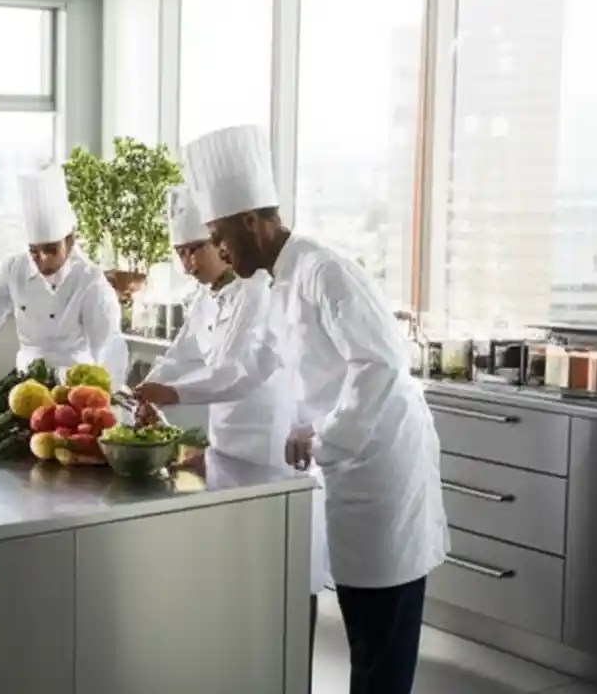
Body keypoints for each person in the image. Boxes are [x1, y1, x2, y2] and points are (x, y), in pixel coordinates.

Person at [181, 125, 448, 694]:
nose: (219, 251)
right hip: (346, 468)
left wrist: (328, 438)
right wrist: (172, 392)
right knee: (363, 628)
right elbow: (257, 369)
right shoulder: (276, 282)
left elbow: (378, 363)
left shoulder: (324, 271)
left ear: (251, 221)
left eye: (219, 236)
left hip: (382, 467)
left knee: (382, 638)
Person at [134, 184, 330, 682]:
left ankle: (291, 674)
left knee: (284, 574)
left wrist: (168, 393)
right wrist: (145, 389)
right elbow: (179, 355)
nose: (189, 263)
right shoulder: (206, 299)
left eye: (197, 248)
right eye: (180, 252)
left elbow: (237, 372)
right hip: (228, 448)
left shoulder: (259, 291)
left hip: (272, 446)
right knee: (242, 580)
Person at [0, 168, 128, 387]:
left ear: (70, 241)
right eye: (34, 251)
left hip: (74, 386)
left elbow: (108, 342)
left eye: (51, 250)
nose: (42, 259)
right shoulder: (12, 270)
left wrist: (111, 389)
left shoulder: (90, 280)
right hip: (25, 384)